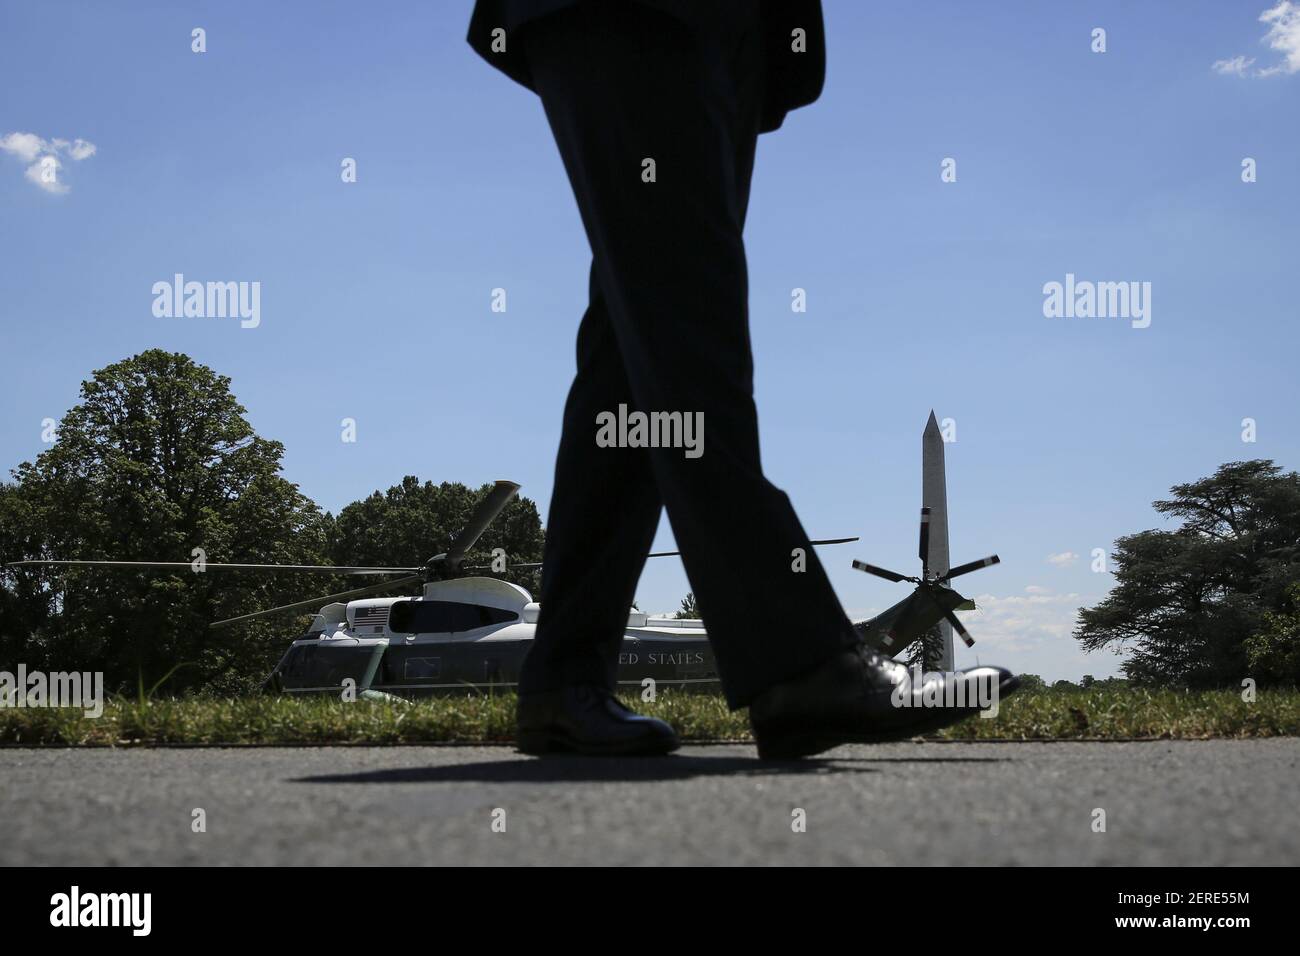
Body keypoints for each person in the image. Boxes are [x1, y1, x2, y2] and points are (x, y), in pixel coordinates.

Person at [467, 0, 1018, 758]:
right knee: (689, 322)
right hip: (655, 17)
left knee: (633, 358)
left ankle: (565, 677)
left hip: (727, 34)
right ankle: (804, 667)